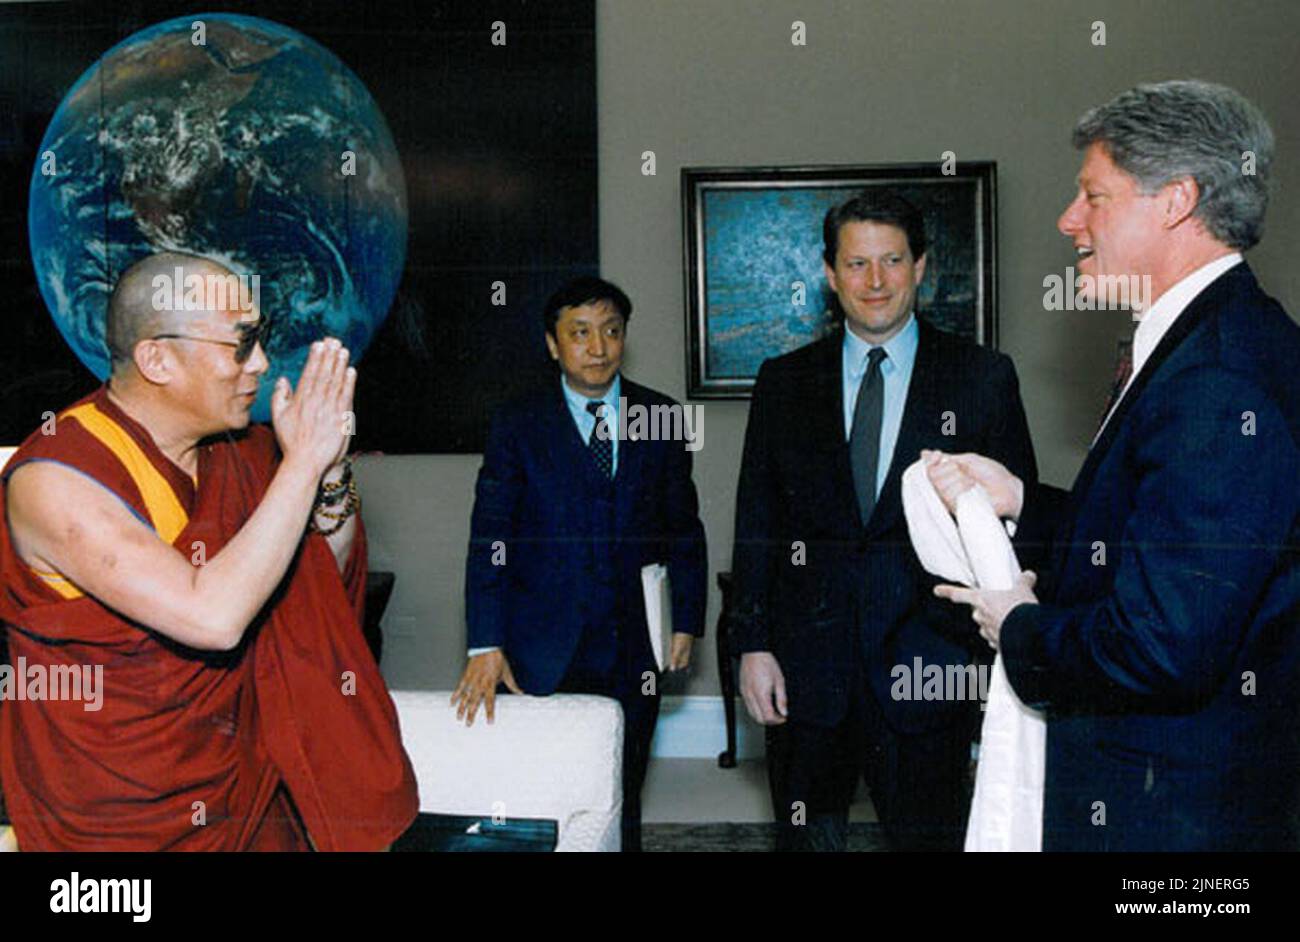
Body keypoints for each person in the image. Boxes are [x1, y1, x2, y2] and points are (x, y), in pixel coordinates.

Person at [931, 80, 1300, 851]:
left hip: (1169, 824)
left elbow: (1165, 644)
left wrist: (1019, 629)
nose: (1069, 220)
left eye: (1093, 197)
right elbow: (1166, 542)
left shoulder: (1216, 377)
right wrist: (1026, 506)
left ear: (1175, 201)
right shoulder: (1212, 339)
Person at [0, 251, 418, 850]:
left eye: (262, 339)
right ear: (157, 358)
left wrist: (325, 474)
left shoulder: (240, 452)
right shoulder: (57, 476)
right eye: (242, 344)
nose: (263, 365)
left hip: (246, 792)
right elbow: (212, 617)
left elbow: (320, 569)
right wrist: (300, 463)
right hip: (118, 816)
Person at [731, 191, 1038, 851]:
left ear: (921, 266)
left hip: (930, 667)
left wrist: (1003, 657)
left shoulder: (982, 378)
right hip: (807, 672)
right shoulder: (783, 382)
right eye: (857, 263)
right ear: (829, 273)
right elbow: (757, 520)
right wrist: (751, 646)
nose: (875, 282)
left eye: (892, 261)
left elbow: (1012, 527)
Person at [453, 276, 707, 852]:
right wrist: (484, 642)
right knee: (541, 795)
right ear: (552, 344)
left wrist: (687, 620)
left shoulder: (661, 417)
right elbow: (490, 537)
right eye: (581, 333)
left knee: (623, 789)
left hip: (633, 646)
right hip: (540, 648)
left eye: (611, 332)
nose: (598, 348)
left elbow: (684, 530)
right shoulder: (518, 423)